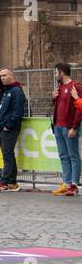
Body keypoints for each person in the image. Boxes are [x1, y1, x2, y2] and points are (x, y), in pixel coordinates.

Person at [0, 68, 27, 193]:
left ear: (11, 76)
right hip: (1, 127)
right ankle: (12, 182)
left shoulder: (16, 91)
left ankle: (3, 182)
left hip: (9, 129)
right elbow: (1, 109)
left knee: (7, 155)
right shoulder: (6, 91)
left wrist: (9, 125)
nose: (2, 78)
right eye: (1, 76)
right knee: (8, 155)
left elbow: (18, 111)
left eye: (5, 75)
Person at [50, 62, 80, 197]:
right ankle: (66, 183)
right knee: (63, 156)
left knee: (73, 155)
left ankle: (74, 184)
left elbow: (79, 110)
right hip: (58, 126)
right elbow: (58, 106)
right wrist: (53, 98)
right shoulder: (59, 88)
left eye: (56, 72)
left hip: (69, 127)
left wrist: (74, 127)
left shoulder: (76, 86)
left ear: (62, 72)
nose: (56, 74)